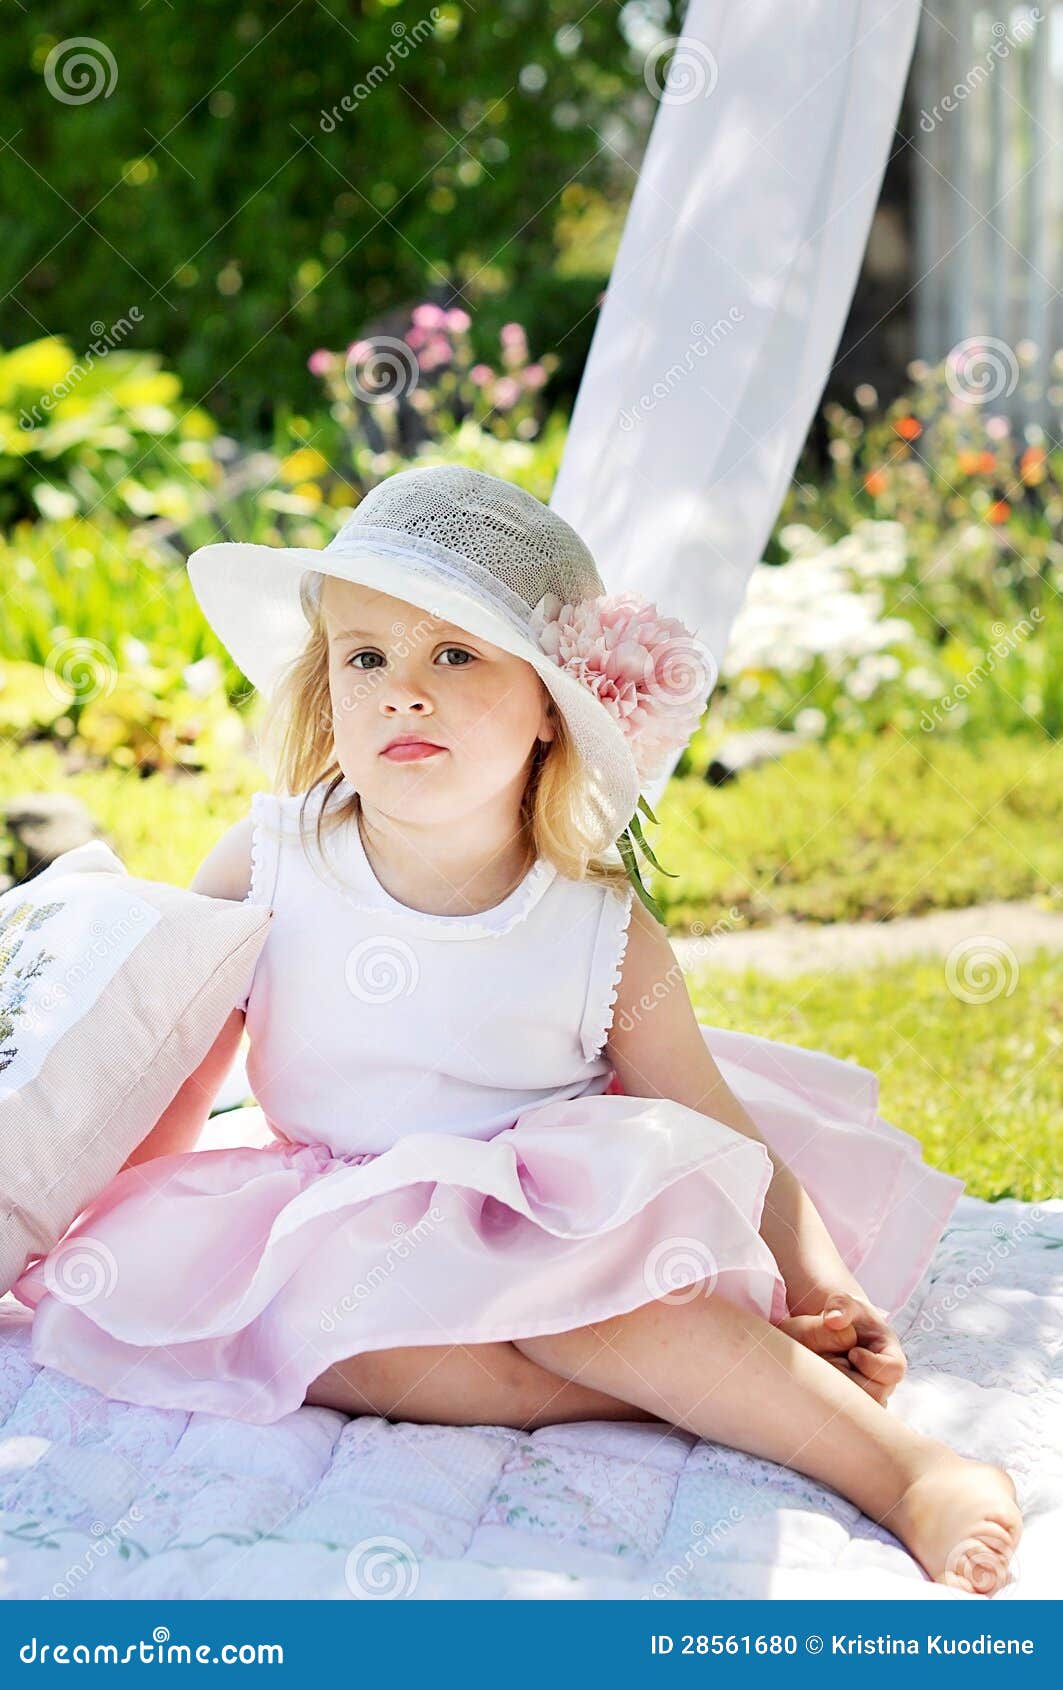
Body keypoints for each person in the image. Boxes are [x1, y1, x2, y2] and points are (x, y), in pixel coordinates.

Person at [12, 465, 1020, 1593]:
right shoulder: (269, 860)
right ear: (325, 687)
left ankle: (906, 1470)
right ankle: (732, 1385)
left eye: (454, 655)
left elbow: (715, 1121)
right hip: (344, 1215)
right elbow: (169, 1072)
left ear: (550, 707)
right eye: (365, 658)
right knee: (335, 1339)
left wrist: (816, 1276)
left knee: (606, 1310)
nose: (403, 693)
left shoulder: (596, 927)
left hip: (553, 1215)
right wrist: (97, 1220)